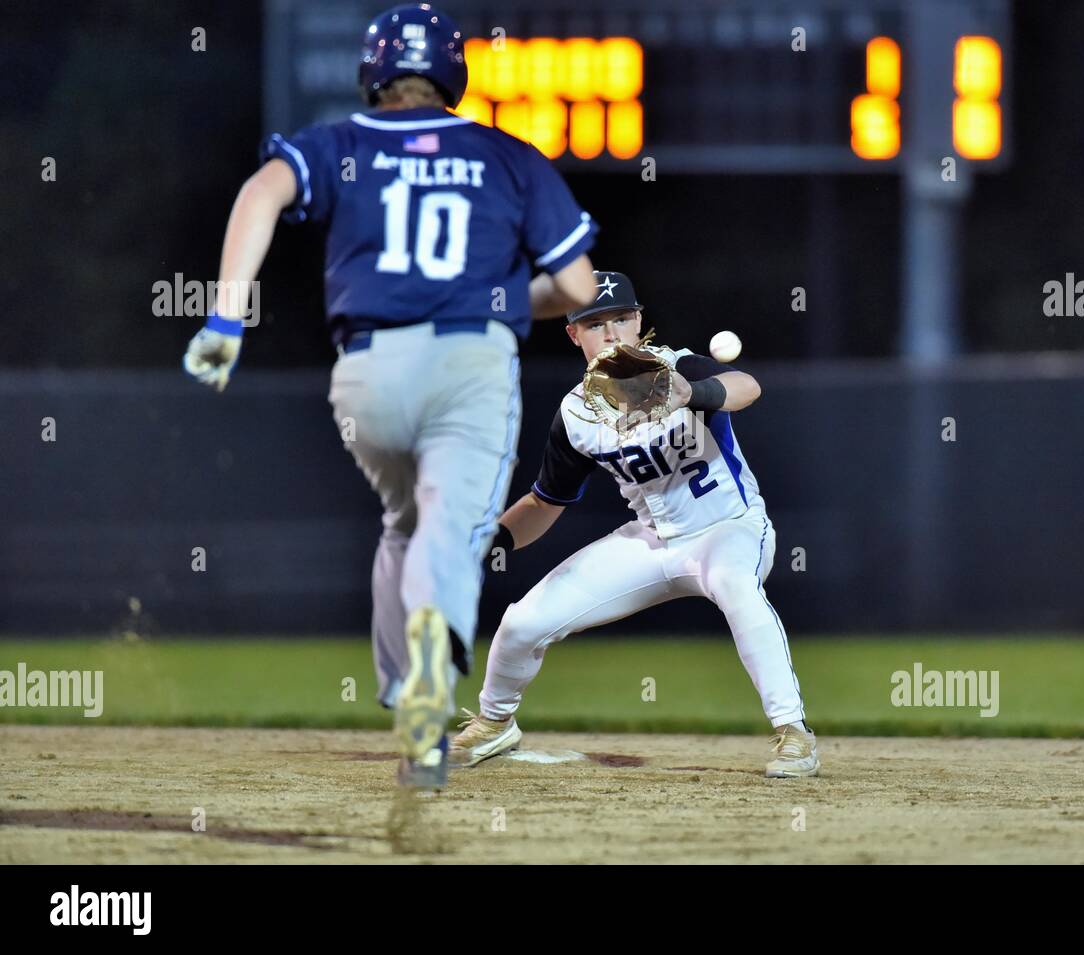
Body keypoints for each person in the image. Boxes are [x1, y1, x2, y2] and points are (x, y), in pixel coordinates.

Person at [182, 4, 598, 789]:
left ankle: (405, 686)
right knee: (453, 525)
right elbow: (577, 285)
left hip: (365, 376)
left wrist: (226, 317)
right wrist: (509, 295)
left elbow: (261, 194)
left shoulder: (339, 144)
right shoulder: (506, 154)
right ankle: (428, 681)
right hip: (470, 363)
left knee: (404, 521)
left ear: (373, 73)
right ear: (453, 72)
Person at [451, 271, 819, 777]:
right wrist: (485, 542)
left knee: (737, 586)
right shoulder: (577, 413)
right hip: (650, 541)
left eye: (622, 318)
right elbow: (545, 503)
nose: (612, 333)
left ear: (639, 320)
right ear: (573, 334)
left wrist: (690, 391)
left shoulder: (676, 366)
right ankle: (495, 723)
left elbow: (746, 386)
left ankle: (793, 732)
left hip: (730, 529)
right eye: (595, 323)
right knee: (520, 621)